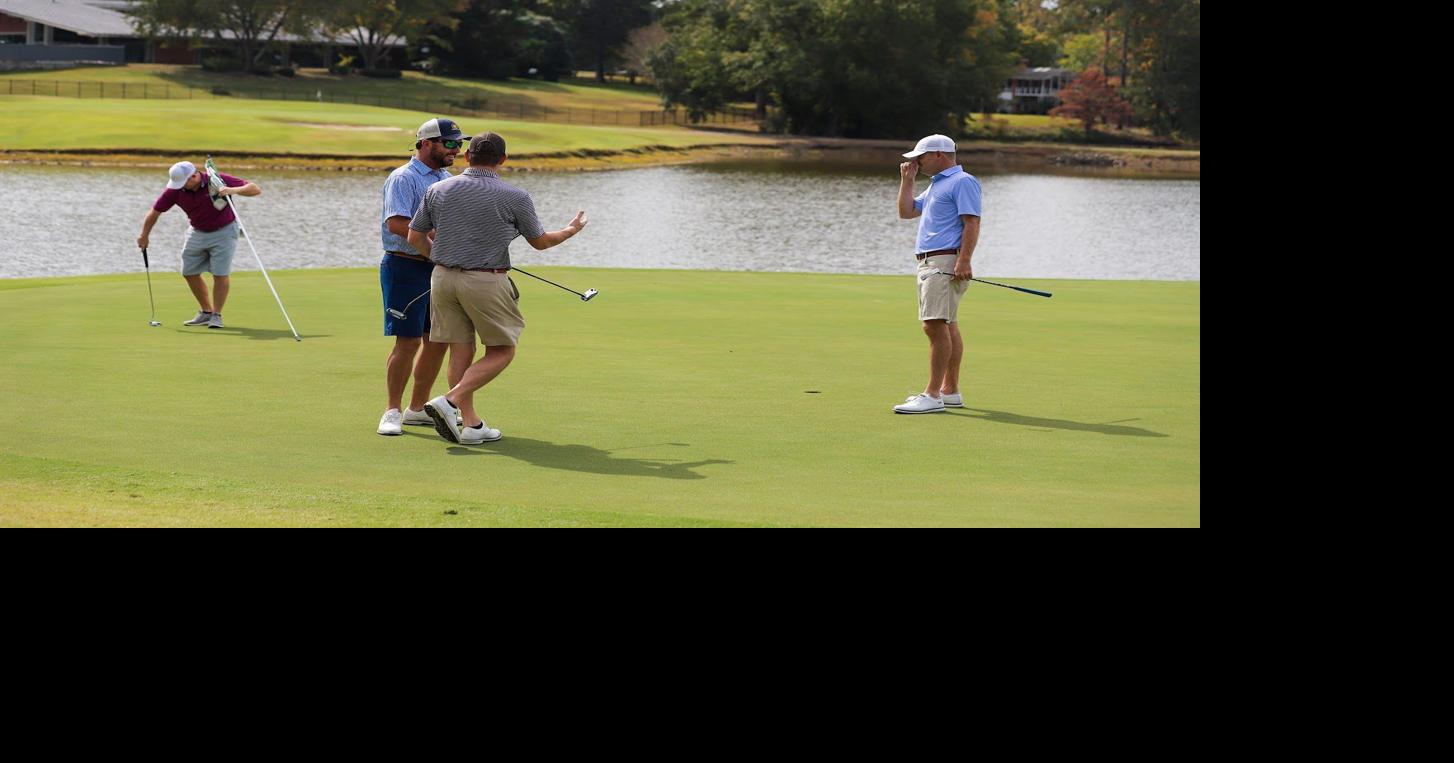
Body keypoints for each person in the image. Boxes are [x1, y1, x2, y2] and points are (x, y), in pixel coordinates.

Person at [407, 131, 588, 445]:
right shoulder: (516, 197)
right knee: (503, 350)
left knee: (461, 349)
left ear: (468, 157)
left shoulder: (437, 189)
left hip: (442, 279)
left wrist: (443, 259)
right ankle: (449, 402)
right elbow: (541, 242)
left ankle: (471, 426)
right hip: (485, 280)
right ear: (502, 159)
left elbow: (415, 237)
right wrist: (571, 230)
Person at [376, 118, 468, 437]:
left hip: (438, 268)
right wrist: (436, 237)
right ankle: (391, 410)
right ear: (426, 143)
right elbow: (396, 223)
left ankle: (417, 409)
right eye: (450, 143)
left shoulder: (447, 179)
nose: (457, 150)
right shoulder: (403, 177)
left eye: (460, 144)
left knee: (437, 340)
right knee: (408, 341)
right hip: (404, 266)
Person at [894, 134, 982, 414]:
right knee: (947, 324)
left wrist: (964, 260)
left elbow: (972, 222)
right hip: (933, 261)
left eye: (921, 156)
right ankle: (949, 390)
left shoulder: (962, 181)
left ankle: (932, 395)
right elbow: (906, 211)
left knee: (933, 324)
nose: (917, 161)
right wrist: (907, 181)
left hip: (943, 261)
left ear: (938, 155)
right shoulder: (937, 184)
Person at [136, 161, 260, 330]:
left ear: (194, 176)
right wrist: (144, 235)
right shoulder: (176, 190)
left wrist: (232, 190)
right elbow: (155, 212)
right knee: (189, 272)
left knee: (220, 273)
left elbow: (254, 189)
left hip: (224, 231)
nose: (180, 186)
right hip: (197, 232)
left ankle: (216, 315)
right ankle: (206, 312)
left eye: (183, 182)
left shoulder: (217, 180)